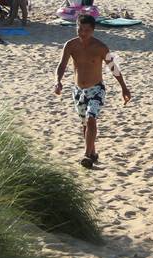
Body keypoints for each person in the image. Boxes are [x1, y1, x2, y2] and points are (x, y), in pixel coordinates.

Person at [54, 15, 132, 168]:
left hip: (96, 89)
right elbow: (62, 65)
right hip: (78, 91)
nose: (83, 33)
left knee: (91, 119)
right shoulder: (70, 45)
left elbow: (113, 68)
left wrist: (124, 87)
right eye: (80, 29)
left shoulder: (101, 47)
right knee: (85, 124)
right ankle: (93, 153)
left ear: (93, 30)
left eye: (86, 30)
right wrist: (58, 81)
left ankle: (86, 155)